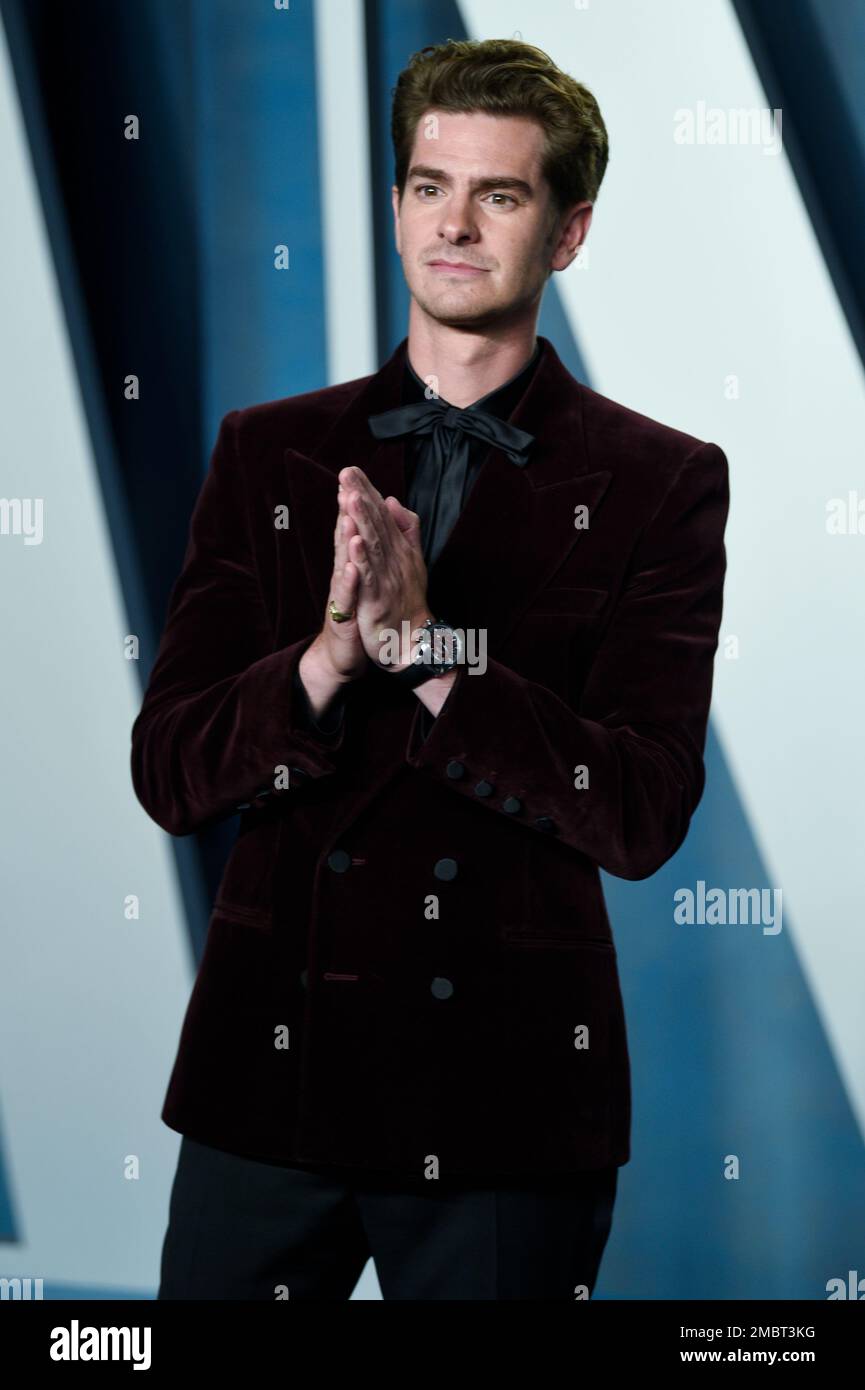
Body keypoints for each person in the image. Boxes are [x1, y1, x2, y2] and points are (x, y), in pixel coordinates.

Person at [132, 37, 729, 1300]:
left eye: (498, 196)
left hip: (507, 1098)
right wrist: (332, 654)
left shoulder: (663, 480)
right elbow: (172, 768)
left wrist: (429, 649)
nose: (452, 224)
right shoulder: (268, 451)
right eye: (426, 187)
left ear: (566, 234)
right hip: (266, 1086)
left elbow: (636, 807)